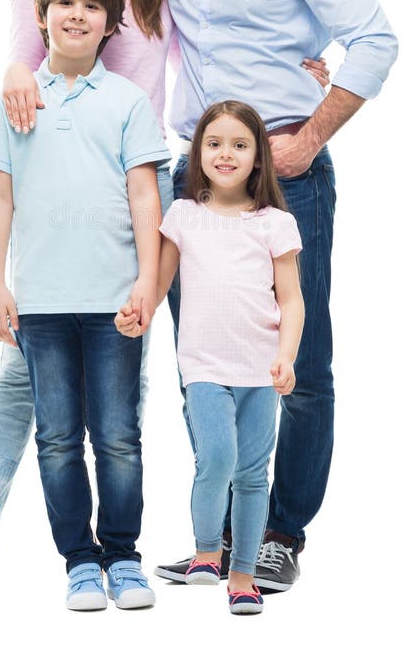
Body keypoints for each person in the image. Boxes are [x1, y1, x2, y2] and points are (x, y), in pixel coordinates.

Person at [0, 0, 328, 599]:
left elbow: (234, 27)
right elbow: (26, 70)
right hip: (63, 220)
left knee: (114, 397)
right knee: (23, 384)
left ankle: (128, 546)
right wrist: (20, 41)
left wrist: (306, 60)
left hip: (144, 207)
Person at [130, 0, 398, 590]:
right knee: (202, 359)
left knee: (300, 362)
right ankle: (216, 538)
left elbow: (376, 39)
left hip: (285, 179)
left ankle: (281, 532)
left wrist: (308, 136)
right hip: (194, 175)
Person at [0, 0, 170, 611]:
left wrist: (146, 284)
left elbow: (144, 198)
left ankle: (124, 558)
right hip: (38, 302)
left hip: (112, 302)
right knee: (55, 436)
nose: (76, 13)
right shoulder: (17, 101)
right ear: (40, 18)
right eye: (63, 3)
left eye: (92, 5)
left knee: (118, 434)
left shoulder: (127, 102)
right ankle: (78, 560)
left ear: (110, 26)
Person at [116, 101, 304, 614]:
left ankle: (243, 577)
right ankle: (206, 553)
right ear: (198, 152)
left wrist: (286, 356)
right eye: (214, 143)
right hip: (203, 366)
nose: (226, 154)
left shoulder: (275, 223)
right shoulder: (184, 215)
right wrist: (141, 310)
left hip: (261, 369)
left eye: (240, 145)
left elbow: (291, 299)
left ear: (258, 158)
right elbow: (160, 282)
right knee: (216, 457)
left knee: (250, 473)